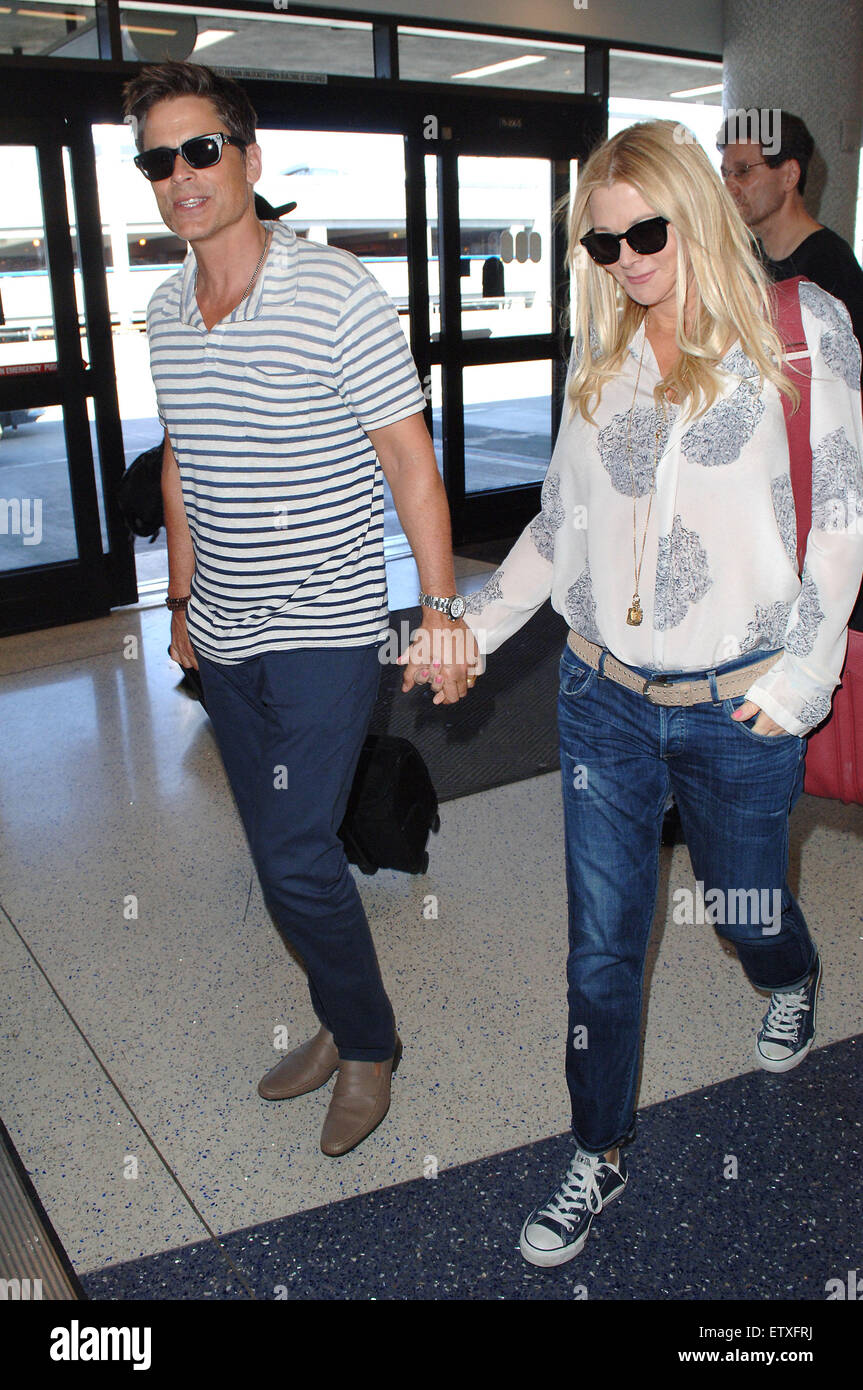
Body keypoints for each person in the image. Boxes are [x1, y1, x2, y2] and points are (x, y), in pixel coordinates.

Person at [462, 119, 863, 1267]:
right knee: (602, 943)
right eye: (601, 243)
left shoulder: (800, 333)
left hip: (741, 708)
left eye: (647, 231)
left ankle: (789, 970)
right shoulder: (601, 362)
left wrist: (800, 679)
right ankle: (597, 1147)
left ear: (694, 208)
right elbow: (557, 529)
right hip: (602, 702)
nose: (627, 258)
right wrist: (471, 629)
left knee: (743, 906)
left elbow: (838, 516)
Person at [122, 61, 477, 1158]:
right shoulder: (166, 308)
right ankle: (337, 1014)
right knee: (290, 848)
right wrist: (181, 600)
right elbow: (182, 465)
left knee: (289, 856)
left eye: (199, 150)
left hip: (323, 627)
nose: (179, 175)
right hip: (223, 634)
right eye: (157, 159)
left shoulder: (333, 290)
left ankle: (367, 1042)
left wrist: (439, 608)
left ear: (246, 158)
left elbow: (409, 464)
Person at [717, 111, 863, 374]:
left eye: (743, 172)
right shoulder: (747, 257)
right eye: (725, 174)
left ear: (789, 175)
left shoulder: (831, 264)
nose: (730, 187)